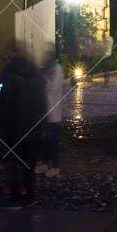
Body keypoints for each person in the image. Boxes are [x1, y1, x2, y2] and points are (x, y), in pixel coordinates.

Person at [0, 44, 46, 205]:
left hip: (13, 127)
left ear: (12, 53)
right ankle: (30, 194)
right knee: (29, 162)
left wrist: (0, 123)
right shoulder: (35, 73)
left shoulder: (8, 72)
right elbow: (42, 102)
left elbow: (5, 101)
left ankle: (15, 193)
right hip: (32, 126)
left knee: (13, 161)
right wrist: (42, 124)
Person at [40, 48, 66, 177]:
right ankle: (45, 163)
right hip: (44, 110)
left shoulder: (57, 68)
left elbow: (53, 88)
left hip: (53, 111)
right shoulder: (47, 68)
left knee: (53, 141)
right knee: (44, 139)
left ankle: (55, 167)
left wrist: (44, 82)